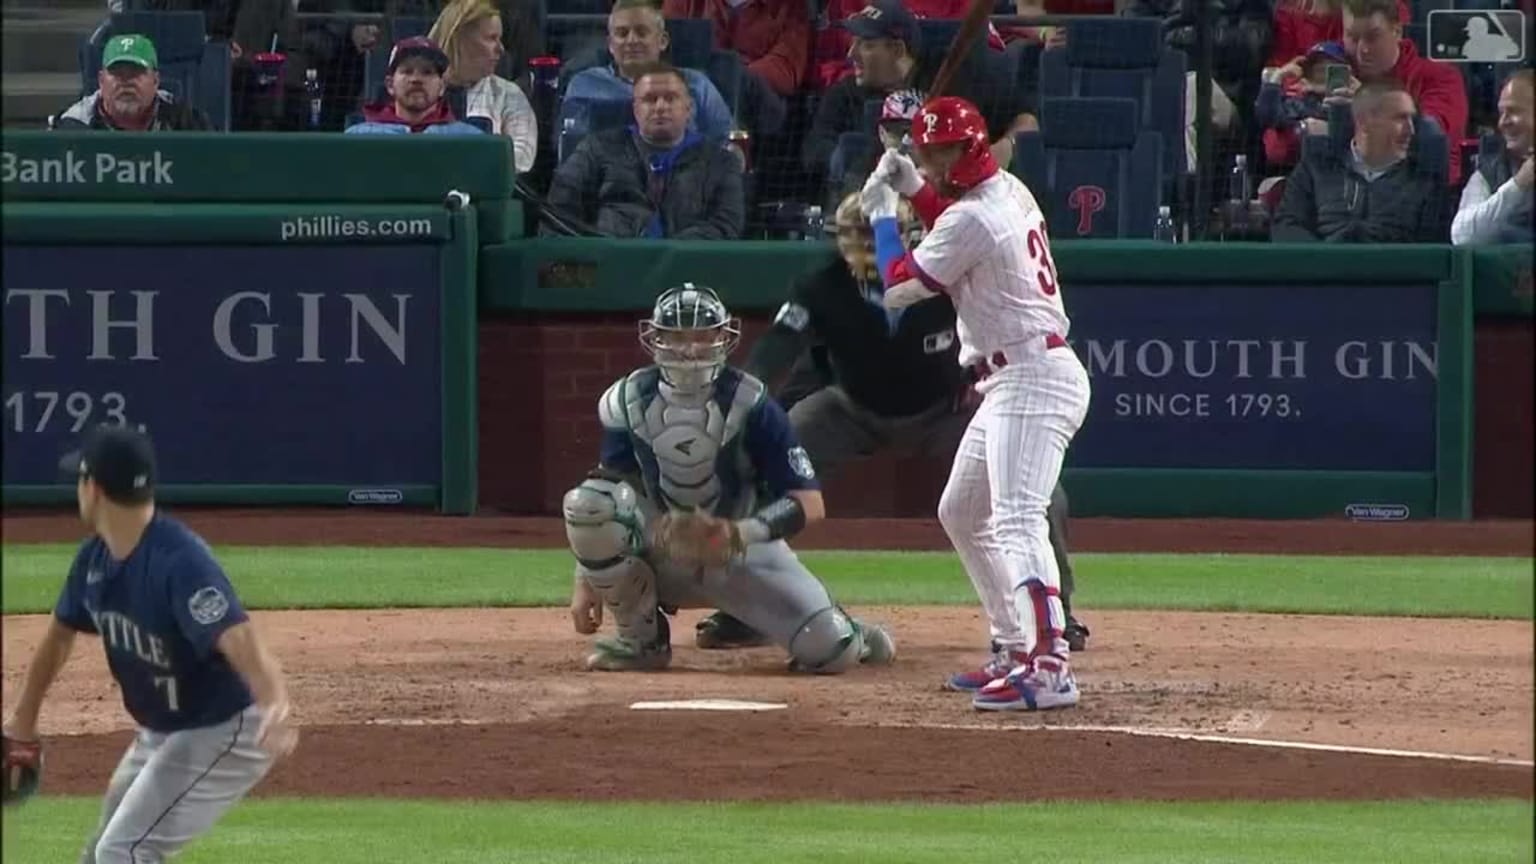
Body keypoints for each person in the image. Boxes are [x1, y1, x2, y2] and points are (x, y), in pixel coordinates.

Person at [692, 190, 1093, 655]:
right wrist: (751, 401)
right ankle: (749, 608)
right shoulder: (821, 286)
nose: (863, 250)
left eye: (873, 238)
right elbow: (777, 347)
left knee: (1038, 492)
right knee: (765, 468)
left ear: (911, 238)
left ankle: (1057, 614)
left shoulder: (944, 278)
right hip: (852, 409)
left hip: (948, 408)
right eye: (852, 239)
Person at [860, 96, 1091, 711]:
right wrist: (911, 183)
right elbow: (957, 225)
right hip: (1012, 376)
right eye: (927, 153)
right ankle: (1015, 646)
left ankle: (1049, 666)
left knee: (1017, 519)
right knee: (962, 511)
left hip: (1032, 376)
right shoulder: (1005, 189)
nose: (933, 163)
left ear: (971, 148)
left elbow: (899, 288)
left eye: (940, 154)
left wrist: (883, 215)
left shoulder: (976, 214)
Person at [564, 284, 898, 675]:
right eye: (677, 337)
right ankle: (640, 642)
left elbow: (809, 504)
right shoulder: (627, 400)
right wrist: (586, 579)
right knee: (587, 503)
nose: (690, 349)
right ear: (655, 338)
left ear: (723, 337)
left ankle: (836, 629)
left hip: (742, 551)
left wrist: (736, 534)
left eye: (702, 336)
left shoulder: (751, 403)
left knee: (830, 651)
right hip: (664, 547)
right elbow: (608, 491)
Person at [1, 424, 298, 860]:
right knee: (100, 853)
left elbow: (237, 635)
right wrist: (22, 721)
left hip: (224, 729)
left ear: (94, 488)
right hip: (167, 730)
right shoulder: (94, 559)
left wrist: (273, 699)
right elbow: (59, 637)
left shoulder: (179, 561)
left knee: (122, 852)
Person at [546, 63, 745, 239]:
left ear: (689, 108)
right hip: (611, 263)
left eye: (670, 98)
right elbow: (559, 213)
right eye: (650, 99)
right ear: (635, 109)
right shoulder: (595, 149)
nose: (660, 107)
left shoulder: (721, 162)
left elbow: (727, 223)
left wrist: (670, 254)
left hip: (689, 267)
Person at [1271, 80, 1446, 242]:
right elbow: (1286, 226)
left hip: (1393, 271)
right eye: (1399, 118)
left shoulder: (1424, 181)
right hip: (1323, 268)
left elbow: (1433, 246)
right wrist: (1322, 261)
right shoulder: (1316, 167)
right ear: (1364, 122)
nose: (1411, 130)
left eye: (1412, 119)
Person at [561, 0, 736, 142]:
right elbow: (568, 148)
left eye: (641, 32)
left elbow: (727, 141)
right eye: (622, 33)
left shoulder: (697, 84)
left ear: (663, 41)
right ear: (610, 45)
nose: (631, 41)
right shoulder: (583, 85)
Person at [430, 0, 540, 173]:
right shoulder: (417, 92)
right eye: (491, 38)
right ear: (461, 39)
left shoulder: (509, 95)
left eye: (500, 39)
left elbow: (521, 159)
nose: (501, 49)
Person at [53, 34, 212, 131]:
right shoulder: (75, 126)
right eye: (117, 74)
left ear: (156, 81)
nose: (126, 82)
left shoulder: (184, 121)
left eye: (135, 73)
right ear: (101, 81)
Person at [1452, 70, 1533, 246]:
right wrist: (1519, 183)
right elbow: (1462, 237)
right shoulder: (1491, 167)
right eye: (1501, 112)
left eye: (1513, 111)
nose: (1502, 122)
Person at [344, 36, 486, 135]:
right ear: (390, 85)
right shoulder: (358, 136)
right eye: (407, 71)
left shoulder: (471, 139)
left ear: (442, 86)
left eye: (427, 72)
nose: (416, 79)